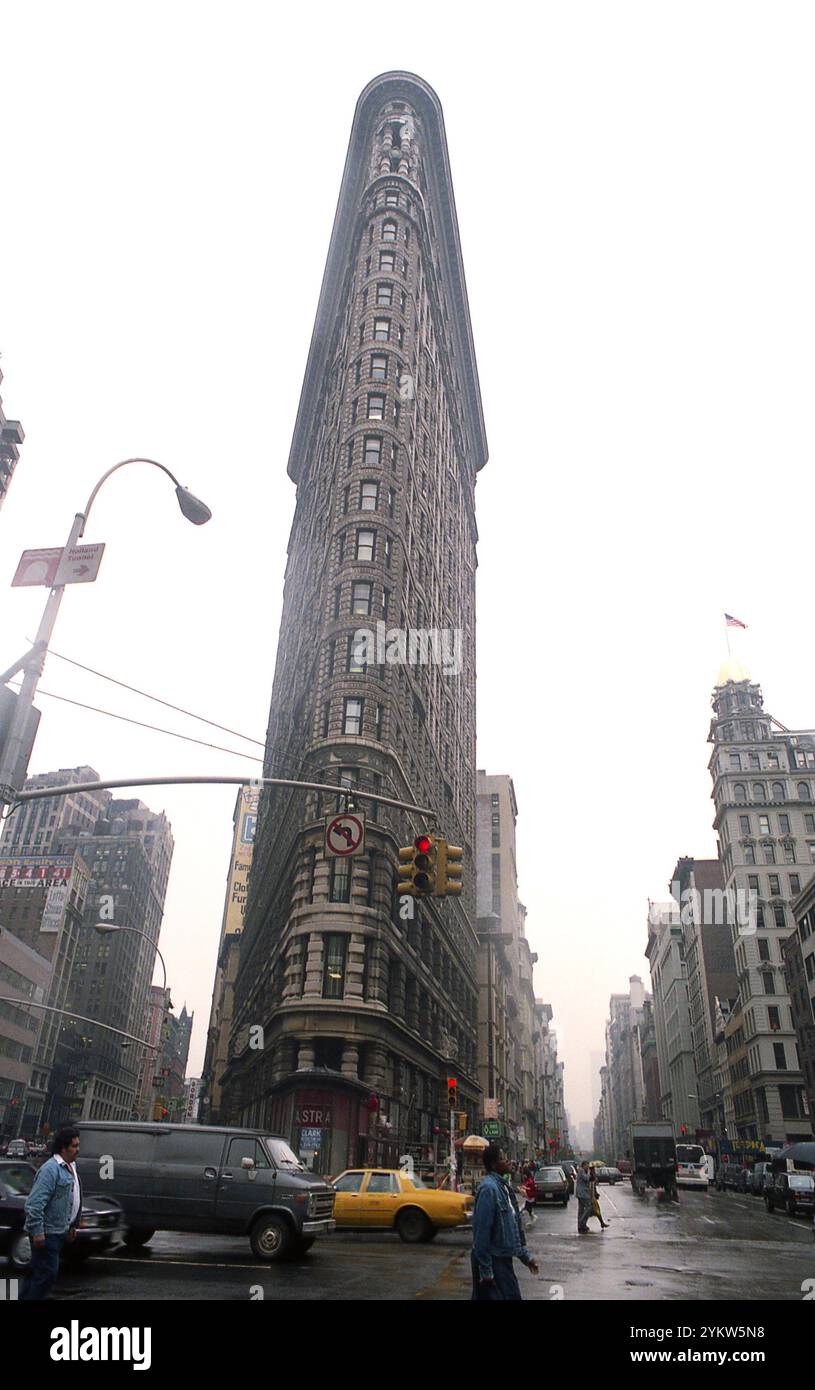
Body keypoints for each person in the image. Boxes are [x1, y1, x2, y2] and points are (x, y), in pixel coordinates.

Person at [20, 1125, 82, 1300]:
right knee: (47, 1275)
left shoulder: (71, 1167)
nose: (78, 1149)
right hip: (47, 1232)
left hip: (59, 1230)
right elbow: (34, 1204)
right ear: (63, 1147)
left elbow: (75, 1195)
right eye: (74, 1146)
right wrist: (38, 1231)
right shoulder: (51, 1169)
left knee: (37, 1274)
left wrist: (73, 1224)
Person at [471, 1144, 540, 1299]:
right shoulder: (489, 1190)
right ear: (494, 1165)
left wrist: (525, 1257)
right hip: (494, 1262)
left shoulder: (504, 1188)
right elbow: (481, 1235)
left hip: (503, 1261)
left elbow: (512, 1230)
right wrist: (486, 1272)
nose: (508, 1161)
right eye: (503, 1159)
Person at [575, 1160, 594, 1233]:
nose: (588, 1167)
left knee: (581, 1210)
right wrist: (589, 1173)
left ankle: (581, 1226)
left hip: (582, 1193)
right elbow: (586, 1178)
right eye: (587, 1165)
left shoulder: (583, 1171)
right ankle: (582, 1222)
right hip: (582, 1193)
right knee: (589, 1207)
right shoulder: (581, 1170)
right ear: (583, 1165)